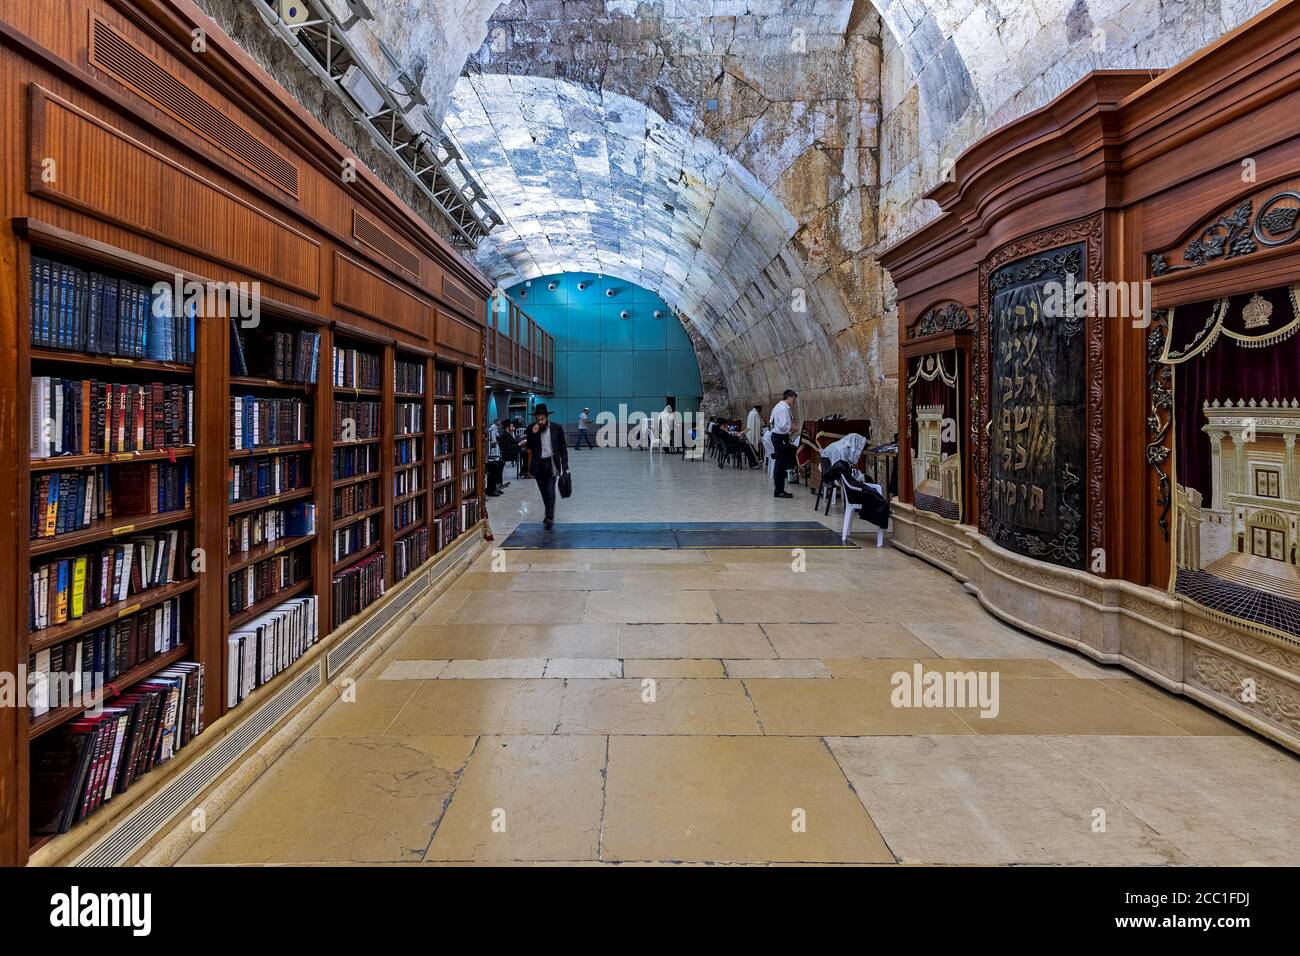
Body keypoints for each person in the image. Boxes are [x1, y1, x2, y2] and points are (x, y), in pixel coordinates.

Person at [522, 403, 569, 529]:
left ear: (546, 417)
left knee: (550, 490)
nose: (540, 420)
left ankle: (549, 516)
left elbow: (563, 447)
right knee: (543, 492)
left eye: (542, 418)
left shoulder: (556, 428)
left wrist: (565, 465)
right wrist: (533, 433)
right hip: (538, 464)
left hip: (552, 463)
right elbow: (530, 447)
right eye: (537, 418)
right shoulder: (532, 428)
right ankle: (548, 512)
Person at [770, 389, 799, 498]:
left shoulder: (779, 406)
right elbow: (782, 425)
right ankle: (779, 490)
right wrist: (793, 428)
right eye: (794, 399)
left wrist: (790, 430)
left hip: (779, 436)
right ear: (790, 397)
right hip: (780, 437)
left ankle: (779, 488)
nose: (794, 402)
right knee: (780, 464)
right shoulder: (782, 408)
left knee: (781, 463)